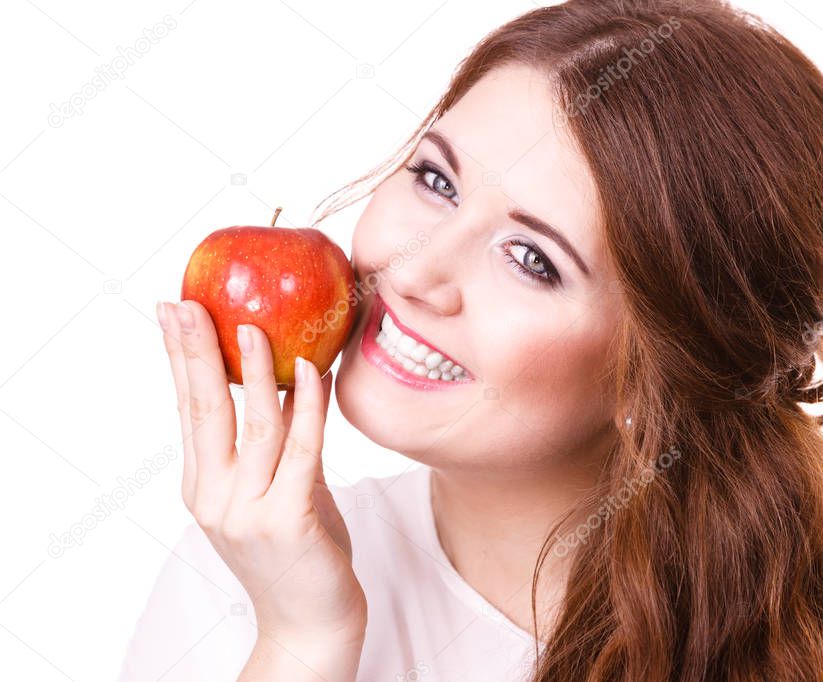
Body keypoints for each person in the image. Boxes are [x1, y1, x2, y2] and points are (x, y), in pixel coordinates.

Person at [121, 0, 823, 679]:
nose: (414, 270)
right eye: (435, 180)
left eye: (530, 258)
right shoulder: (248, 578)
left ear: (668, 367)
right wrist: (304, 641)